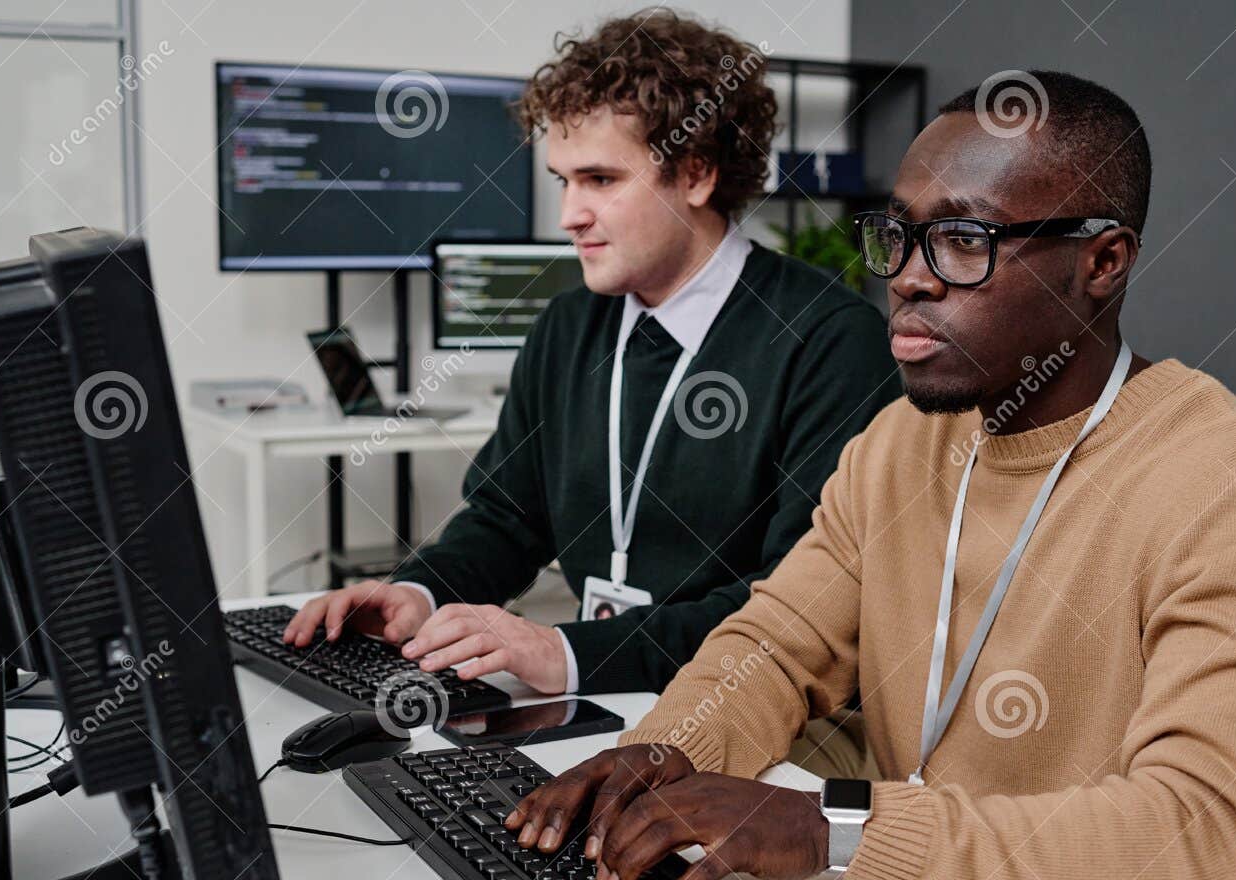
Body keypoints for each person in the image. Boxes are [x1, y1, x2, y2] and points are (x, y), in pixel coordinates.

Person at [505, 70, 1236, 880]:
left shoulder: (1229, 487)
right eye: (896, 235)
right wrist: (664, 749)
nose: (906, 276)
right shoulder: (900, 443)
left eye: (964, 240)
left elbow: (1211, 847)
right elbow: (776, 644)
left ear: (1102, 261)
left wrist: (839, 827)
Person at [284, 10, 899, 694]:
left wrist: (570, 653)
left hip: (749, 706)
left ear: (696, 174)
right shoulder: (567, 325)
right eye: (563, 180)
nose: (568, 215)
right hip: (604, 693)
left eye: (601, 180)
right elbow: (507, 518)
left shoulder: (829, 340)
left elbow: (802, 601)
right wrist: (420, 593)